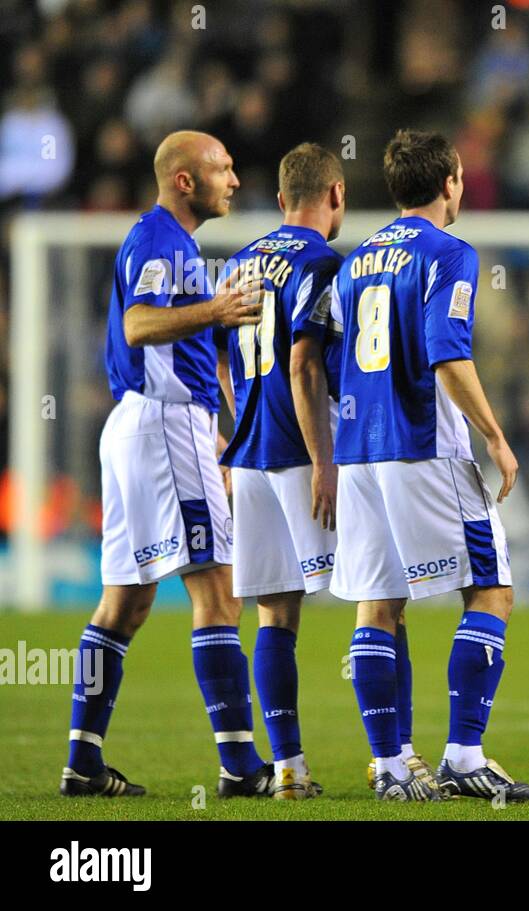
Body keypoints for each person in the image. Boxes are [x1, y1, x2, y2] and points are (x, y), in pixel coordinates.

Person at [63, 130, 270, 797]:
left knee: (124, 602)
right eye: (223, 168)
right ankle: (240, 767)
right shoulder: (160, 242)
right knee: (219, 593)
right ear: (186, 179)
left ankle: (82, 760)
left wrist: (215, 327)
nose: (234, 180)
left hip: (139, 426)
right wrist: (218, 308)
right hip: (162, 424)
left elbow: (178, 334)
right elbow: (139, 325)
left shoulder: (173, 246)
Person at [329, 128, 529, 802]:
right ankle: (463, 754)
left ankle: (390, 766)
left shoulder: (356, 260)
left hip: (359, 450)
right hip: (424, 444)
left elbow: (330, 363)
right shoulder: (450, 252)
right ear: (450, 182)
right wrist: (497, 437)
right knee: (492, 588)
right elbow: (448, 354)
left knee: (379, 604)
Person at [214, 142, 347, 799]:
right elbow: (304, 362)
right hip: (300, 453)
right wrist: (324, 460)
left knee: (274, 614)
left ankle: (289, 769)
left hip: (249, 455)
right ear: (336, 195)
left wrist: (233, 433)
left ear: (278, 201)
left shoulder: (239, 263)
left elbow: (218, 359)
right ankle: (396, 757)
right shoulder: (323, 260)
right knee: (377, 598)